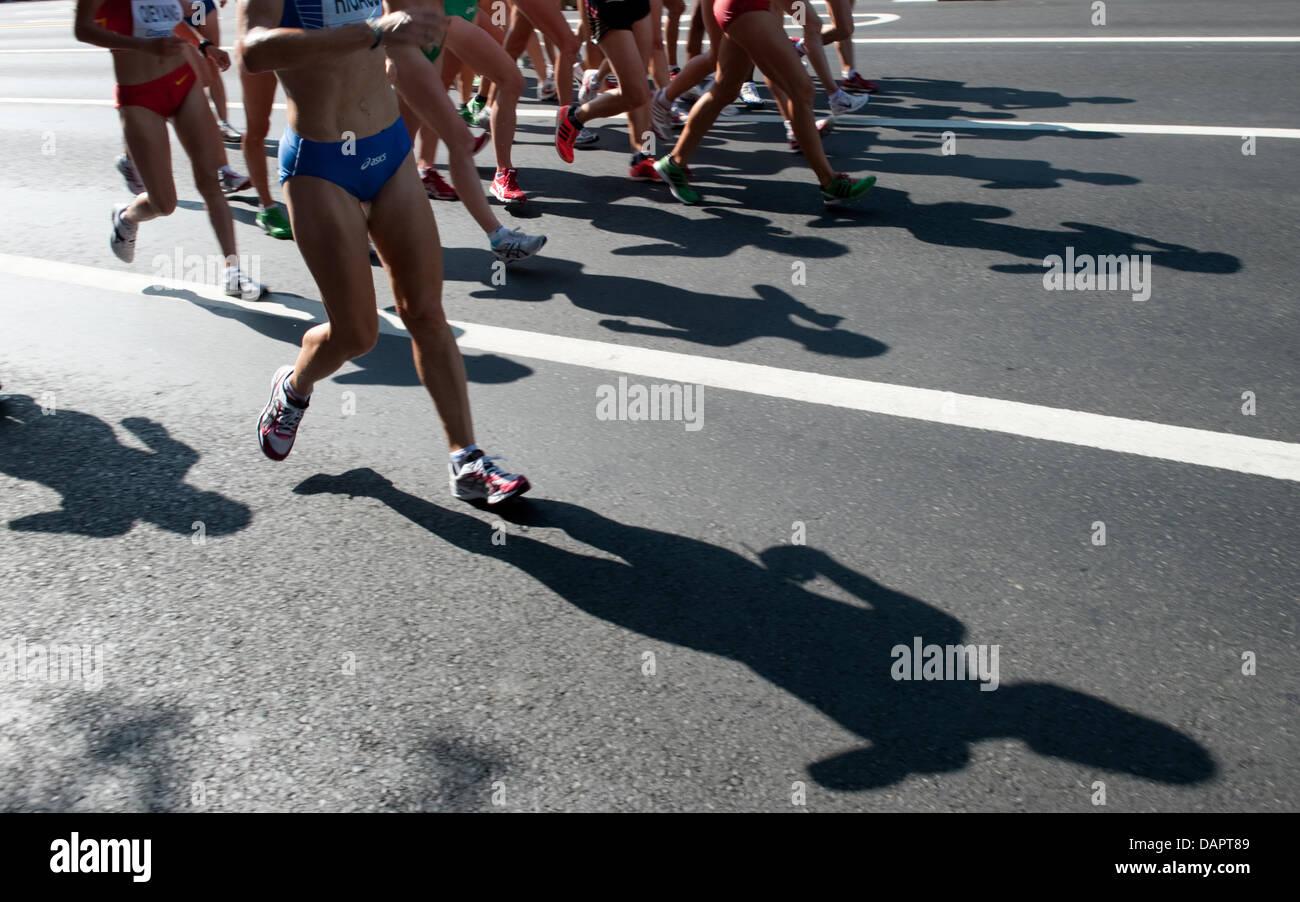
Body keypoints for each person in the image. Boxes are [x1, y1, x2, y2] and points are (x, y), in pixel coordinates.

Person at [239, 0, 531, 504]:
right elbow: (253, 50)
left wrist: (452, 129)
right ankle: (293, 386)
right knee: (357, 335)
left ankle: (467, 458)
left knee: (425, 311)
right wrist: (369, 31)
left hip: (389, 150)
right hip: (322, 162)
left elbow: (400, 49)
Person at [76, 0, 266, 299]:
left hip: (182, 80)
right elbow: (82, 30)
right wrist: (143, 46)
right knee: (164, 204)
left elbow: (166, 19)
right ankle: (126, 218)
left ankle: (233, 271)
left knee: (211, 181)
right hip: (139, 96)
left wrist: (204, 45)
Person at [654, 0, 874, 207]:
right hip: (746, 9)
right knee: (801, 90)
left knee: (725, 90)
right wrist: (801, 14)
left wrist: (805, 16)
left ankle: (675, 163)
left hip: (746, 8)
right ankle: (830, 183)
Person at [554, 0, 654, 179]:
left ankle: (645, 155)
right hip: (611, 4)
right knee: (636, 94)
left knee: (643, 85)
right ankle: (574, 117)